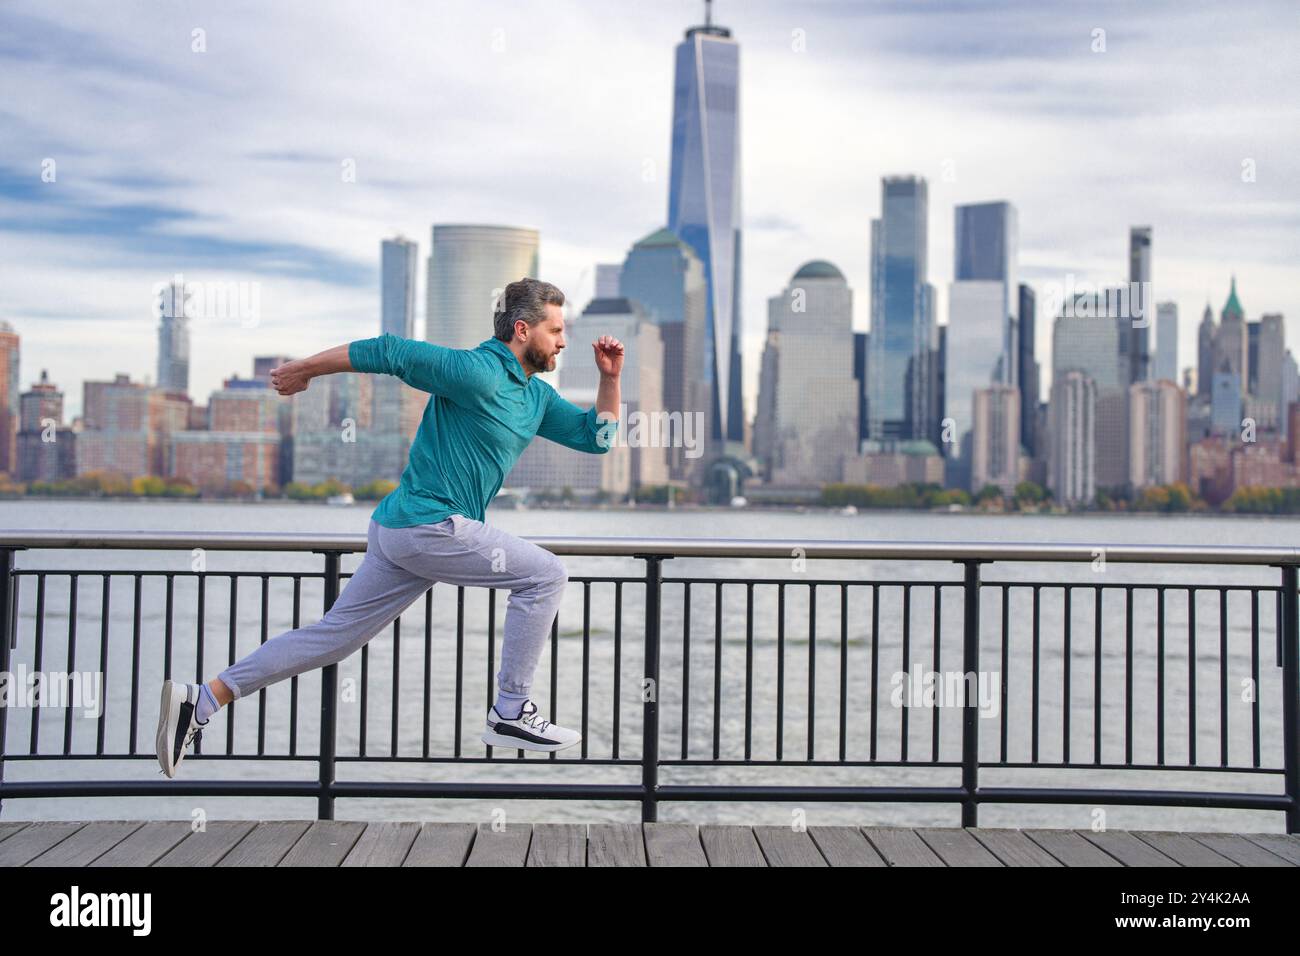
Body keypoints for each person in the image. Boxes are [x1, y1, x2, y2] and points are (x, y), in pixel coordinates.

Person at [156, 277, 622, 777]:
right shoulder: (478, 370)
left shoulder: (534, 398)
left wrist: (610, 379)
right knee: (545, 575)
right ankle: (511, 709)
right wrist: (306, 370)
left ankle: (203, 700)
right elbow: (391, 350)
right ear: (523, 329)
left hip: (402, 531)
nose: (563, 341)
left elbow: (596, 440)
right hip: (430, 525)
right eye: (555, 330)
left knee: (333, 638)